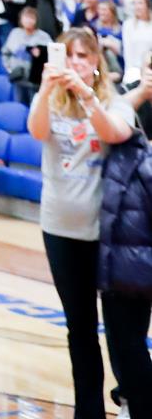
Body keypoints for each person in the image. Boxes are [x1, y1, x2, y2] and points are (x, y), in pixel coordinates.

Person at [28, 27, 139, 419]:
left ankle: (132, 400)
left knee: (122, 330)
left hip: (107, 235)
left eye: (84, 57)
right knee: (80, 328)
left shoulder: (114, 102)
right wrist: (45, 89)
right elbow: (37, 131)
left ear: (96, 63)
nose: (76, 63)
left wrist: (89, 94)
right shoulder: (51, 102)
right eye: (70, 56)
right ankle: (87, 411)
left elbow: (115, 131)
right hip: (60, 229)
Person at [99, 51, 152, 419]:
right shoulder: (124, 104)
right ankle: (131, 396)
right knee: (123, 330)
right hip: (126, 233)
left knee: (131, 329)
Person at [2, 4, 47, 104]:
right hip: (18, 78)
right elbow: (5, 52)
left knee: (35, 106)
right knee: (19, 104)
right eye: (26, 17)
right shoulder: (15, 33)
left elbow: (50, 56)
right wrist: (9, 68)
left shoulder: (43, 36)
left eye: (31, 18)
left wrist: (40, 54)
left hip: (34, 81)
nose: (28, 21)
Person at [121, 0, 152, 86]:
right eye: (135, 3)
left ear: (147, 5)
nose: (137, 6)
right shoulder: (128, 25)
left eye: (140, 3)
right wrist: (128, 72)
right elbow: (127, 52)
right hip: (133, 70)